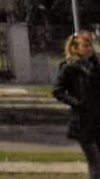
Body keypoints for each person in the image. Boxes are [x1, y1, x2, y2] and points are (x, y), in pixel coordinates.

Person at [54, 31, 100, 178]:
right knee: (95, 162)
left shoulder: (94, 66)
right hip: (82, 122)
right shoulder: (69, 68)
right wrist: (77, 102)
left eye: (90, 45)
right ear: (75, 48)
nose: (89, 48)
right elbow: (58, 91)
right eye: (85, 45)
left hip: (97, 120)